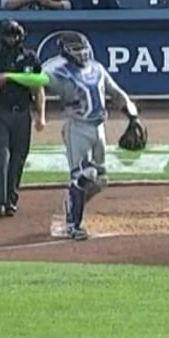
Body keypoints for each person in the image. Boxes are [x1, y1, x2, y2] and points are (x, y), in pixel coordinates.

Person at [40, 32, 141, 240]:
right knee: (83, 175)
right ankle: (73, 225)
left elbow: (116, 93)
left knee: (100, 179)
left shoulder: (97, 69)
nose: (81, 53)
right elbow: (39, 82)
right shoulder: (56, 70)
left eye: (82, 48)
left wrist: (133, 116)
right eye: (76, 50)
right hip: (76, 126)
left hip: (99, 126)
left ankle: (73, 202)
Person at [0, 19, 48, 218]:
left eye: (14, 35)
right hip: (1, 113)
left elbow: (38, 87)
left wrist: (41, 115)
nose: (12, 39)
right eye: (8, 35)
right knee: (0, 157)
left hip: (23, 113)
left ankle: (11, 200)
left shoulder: (30, 58)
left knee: (18, 158)